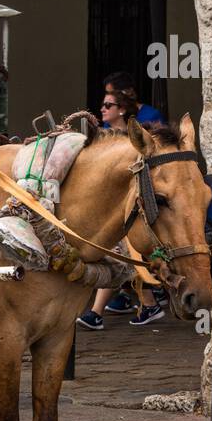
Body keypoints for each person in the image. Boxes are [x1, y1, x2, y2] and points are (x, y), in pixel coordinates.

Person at [77, 89, 165, 329]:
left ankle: (97, 312)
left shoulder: (131, 143)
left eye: (109, 104)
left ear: (122, 110)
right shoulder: (105, 137)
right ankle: (144, 303)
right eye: (103, 104)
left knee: (121, 255)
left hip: (127, 210)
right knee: (120, 257)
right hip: (109, 210)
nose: (103, 108)